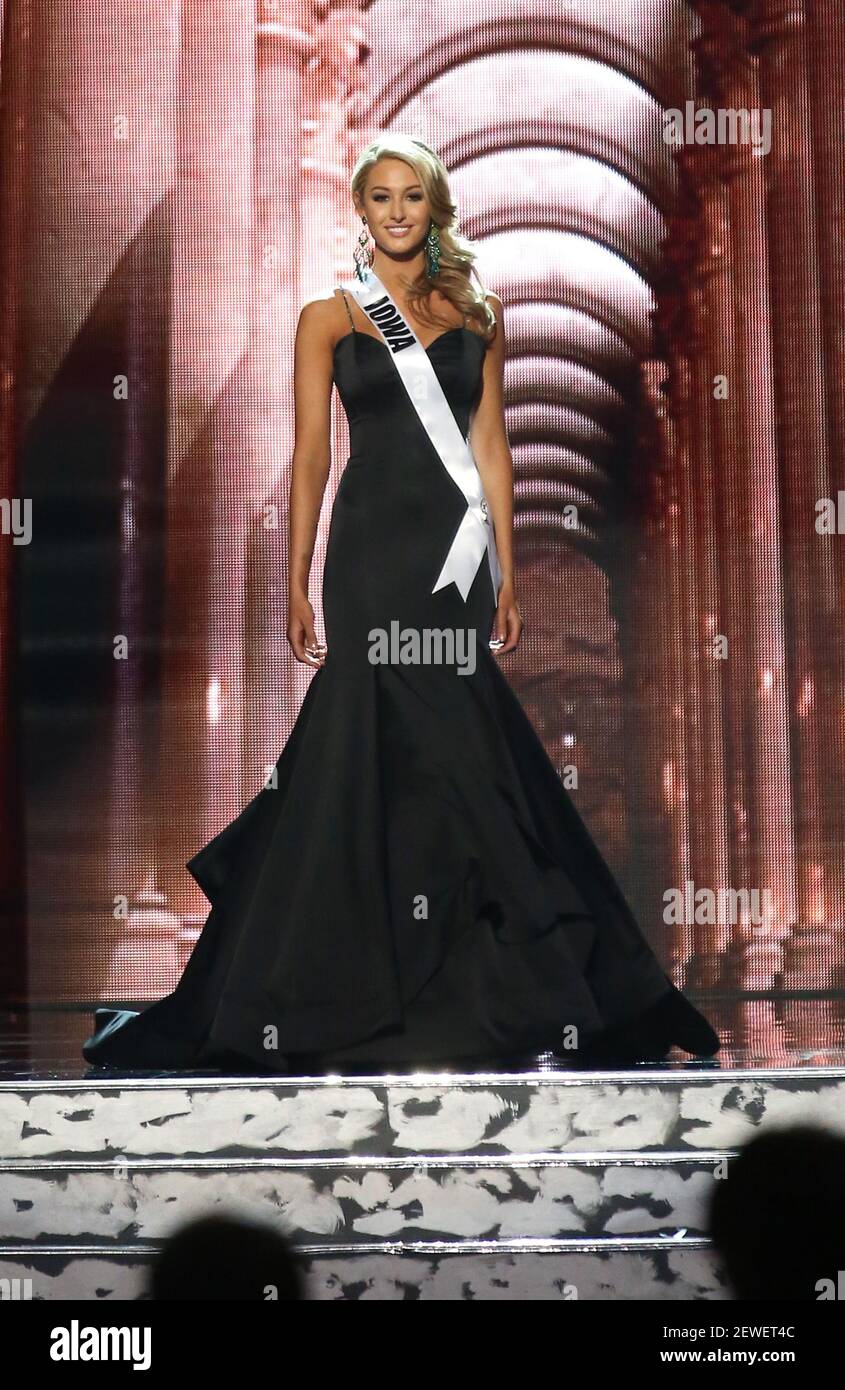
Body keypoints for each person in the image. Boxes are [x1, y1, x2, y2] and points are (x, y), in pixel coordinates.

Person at [83, 134, 719, 1074]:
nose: (394, 212)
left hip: (451, 562)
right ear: (361, 208)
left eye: (410, 197)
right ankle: (315, 984)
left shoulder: (479, 314)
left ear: (433, 208)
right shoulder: (328, 321)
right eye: (378, 196)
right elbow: (309, 457)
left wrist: (500, 571)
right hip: (372, 555)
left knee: (464, 754)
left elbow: (492, 451)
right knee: (361, 747)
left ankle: (530, 981)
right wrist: (296, 577)